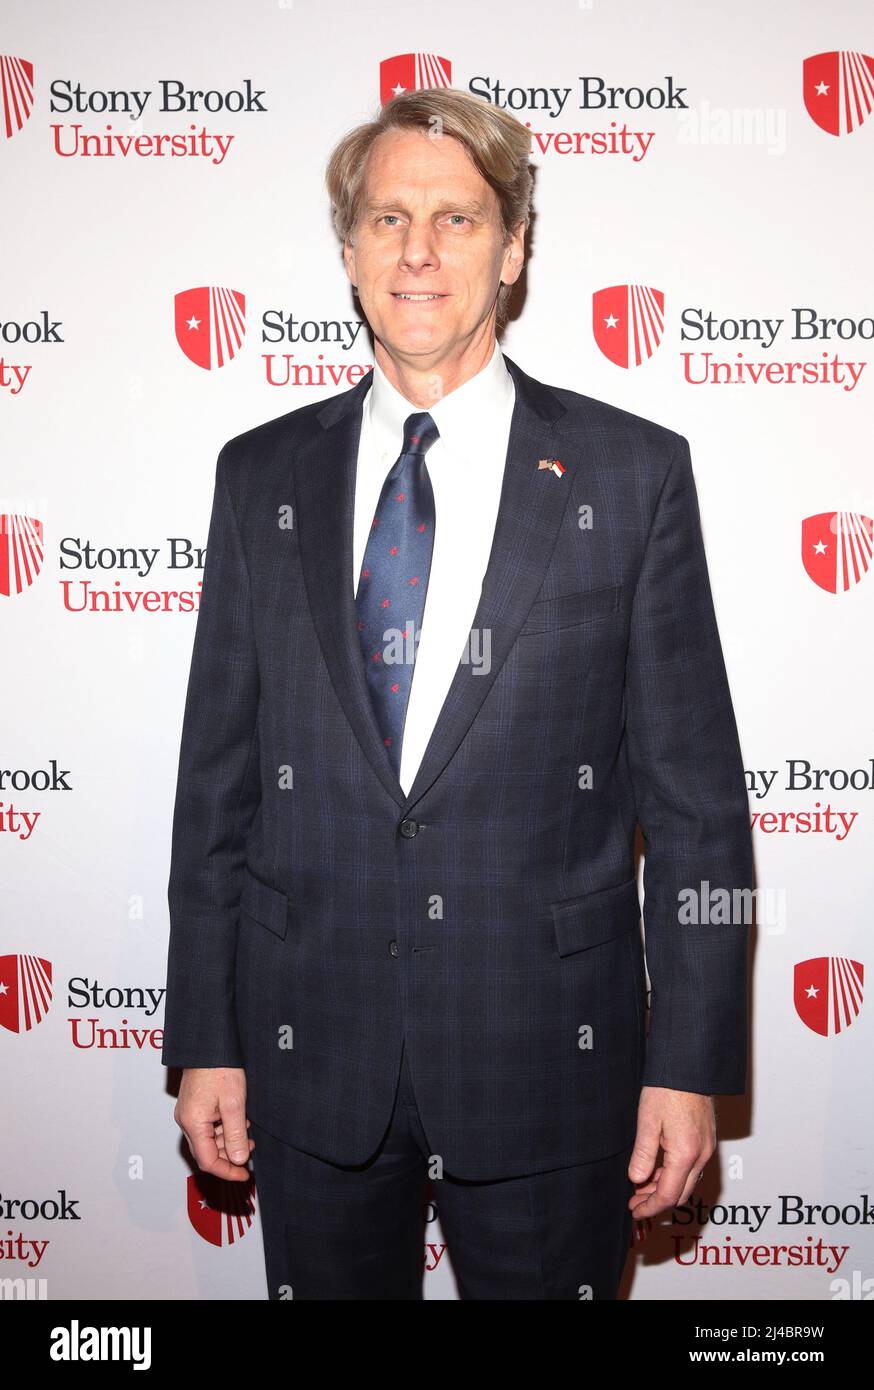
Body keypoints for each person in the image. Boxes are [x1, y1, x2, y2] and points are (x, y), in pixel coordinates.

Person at [161, 86, 753, 1300]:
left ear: (515, 248)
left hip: (547, 1060)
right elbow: (215, 789)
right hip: (309, 1053)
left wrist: (688, 1066)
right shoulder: (257, 475)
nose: (418, 252)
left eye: (457, 220)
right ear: (347, 252)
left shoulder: (631, 476)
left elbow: (698, 809)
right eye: (385, 219)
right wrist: (206, 1038)